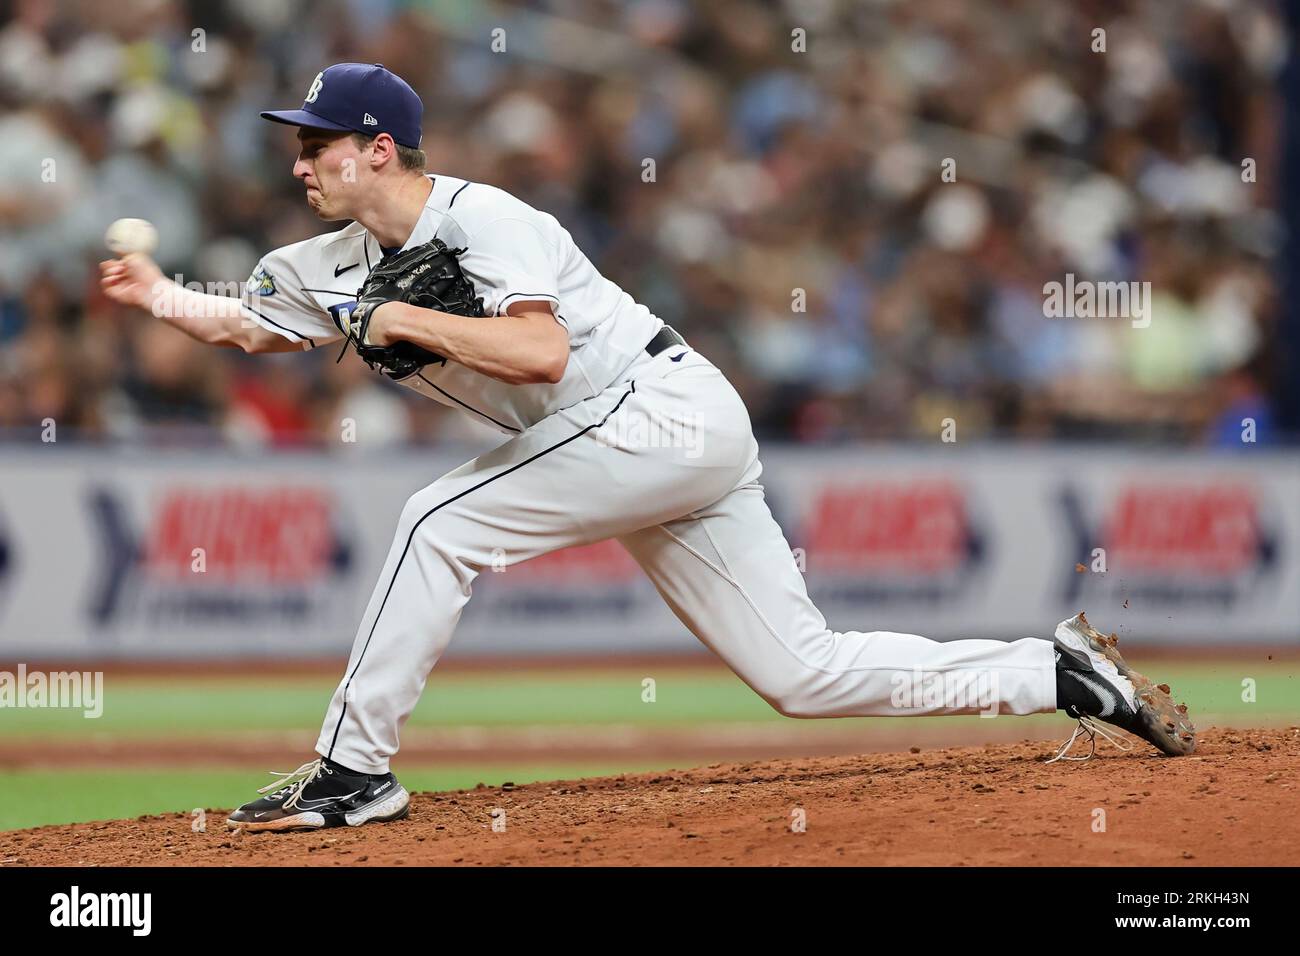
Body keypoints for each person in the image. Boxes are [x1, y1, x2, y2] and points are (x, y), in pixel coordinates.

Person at [99, 64, 1195, 833]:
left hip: (658, 409)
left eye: (317, 143)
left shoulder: (489, 221)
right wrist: (158, 295)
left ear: (378, 148)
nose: (299, 161)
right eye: (298, 144)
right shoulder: (324, 261)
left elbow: (538, 353)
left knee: (436, 521)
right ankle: (1054, 671)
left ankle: (354, 770)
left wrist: (403, 318)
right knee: (800, 672)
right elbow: (247, 322)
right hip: (622, 441)